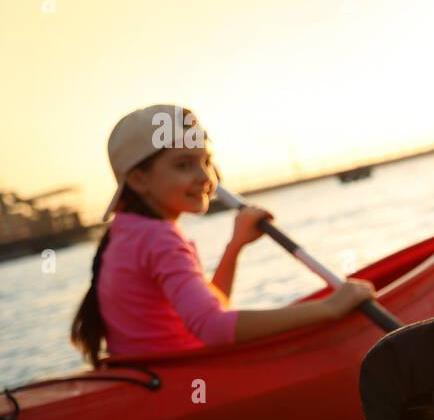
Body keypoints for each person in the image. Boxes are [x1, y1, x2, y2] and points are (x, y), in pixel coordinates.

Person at [71, 105, 375, 365]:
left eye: (205, 160)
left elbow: (208, 313)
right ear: (138, 179)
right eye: (183, 165)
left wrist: (235, 245)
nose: (205, 176)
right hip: (186, 381)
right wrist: (329, 308)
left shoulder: (128, 230)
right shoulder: (159, 238)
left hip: (167, 375)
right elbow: (214, 327)